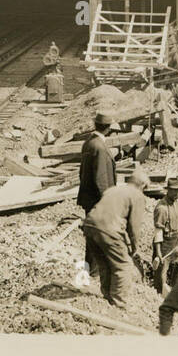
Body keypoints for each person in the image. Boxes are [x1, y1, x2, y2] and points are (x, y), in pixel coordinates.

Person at [82, 169, 153, 309]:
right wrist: (134, 248)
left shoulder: (113, 189)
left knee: (104, 263)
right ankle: (119, 304)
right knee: (124, 265)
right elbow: (134, 226)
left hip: (89, 225)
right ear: (143, 185)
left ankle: (107, 298)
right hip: (108, 229)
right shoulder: (137, 195)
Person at [78, 111, 117, 277]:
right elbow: (101, 178)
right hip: (98, 201)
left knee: (92, 238)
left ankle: (88, 272)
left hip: (89, 199)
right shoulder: (100, 147)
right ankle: (94, 274)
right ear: (108, 129)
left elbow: (82, 173)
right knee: (98, 238)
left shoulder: (88, 143)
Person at [151, 177, 178, 292]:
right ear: (168, 190)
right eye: (174, 190)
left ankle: (175, 289)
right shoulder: (161, 208)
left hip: (177, 238)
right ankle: (159, 293)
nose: (177, 193)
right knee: (162, 270)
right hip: (165, 242)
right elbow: (158, 232)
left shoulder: (177, 202)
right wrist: (159, 253)